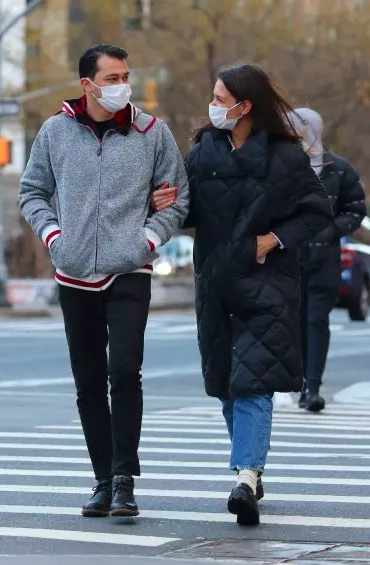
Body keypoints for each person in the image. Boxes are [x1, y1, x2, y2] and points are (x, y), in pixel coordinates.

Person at [152, 63, 332, 526]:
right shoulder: (202, 153)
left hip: (268, 282)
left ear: (245, 105)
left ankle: (246, 477)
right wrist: (163, 203)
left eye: (220, 97)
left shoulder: (285, 157)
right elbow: (189, 212)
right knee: (228, 382)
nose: (213, 106)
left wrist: (273, 239)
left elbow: (317, 215)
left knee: (253, 380)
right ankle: (250, 467)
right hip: (215, 281)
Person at [19, 43, 189, 518]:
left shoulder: (152, 132)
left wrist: (148, 240)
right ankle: (100, 479)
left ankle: (124, 479)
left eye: (125, 76)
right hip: (73, 274)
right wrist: (55, 237)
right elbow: (32, 191)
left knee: (124, 371)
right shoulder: (54, 132)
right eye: (111, 78)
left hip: (129, 269)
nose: (121, 86)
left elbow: (179, 198)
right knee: (89, 380)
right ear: (87, 84)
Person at [288, 108, 366, 412]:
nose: (299, 133)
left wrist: (331, 230)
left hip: (325, 258)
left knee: (315, 320)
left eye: (303, 127)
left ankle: (313, 386)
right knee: (296, 323)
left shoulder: (339, 169)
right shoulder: (284, 166)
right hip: (291, 259)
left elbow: (356, 210)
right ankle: (301, 383)